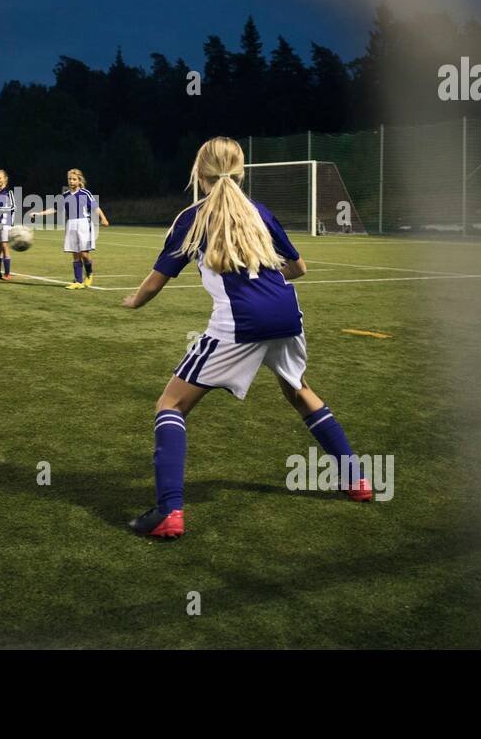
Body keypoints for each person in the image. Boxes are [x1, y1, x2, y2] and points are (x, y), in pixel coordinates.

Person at [121, 137, 372, 539]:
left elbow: (154, 283)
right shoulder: (259, 211)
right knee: (300, 391)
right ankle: (357, 479)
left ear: (199, 174)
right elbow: (298, 268)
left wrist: (133, 301)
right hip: (287, 313)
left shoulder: (193, 218)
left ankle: (169, 511)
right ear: (240, 171)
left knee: (170, 404)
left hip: (241, 323)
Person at [27, 168, 109, 288]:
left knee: (85, 254)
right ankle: (78, 281)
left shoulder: (85, 193)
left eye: (74, 179)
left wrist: (103, 218)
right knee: (75, 254)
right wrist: (39, 213)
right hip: (71, 224)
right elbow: (55, 209)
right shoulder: (64, 196)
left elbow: (95, 207)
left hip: (83, 224)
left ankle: (89, 274)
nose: (71, 181)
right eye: (69, 179)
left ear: (79, 181)